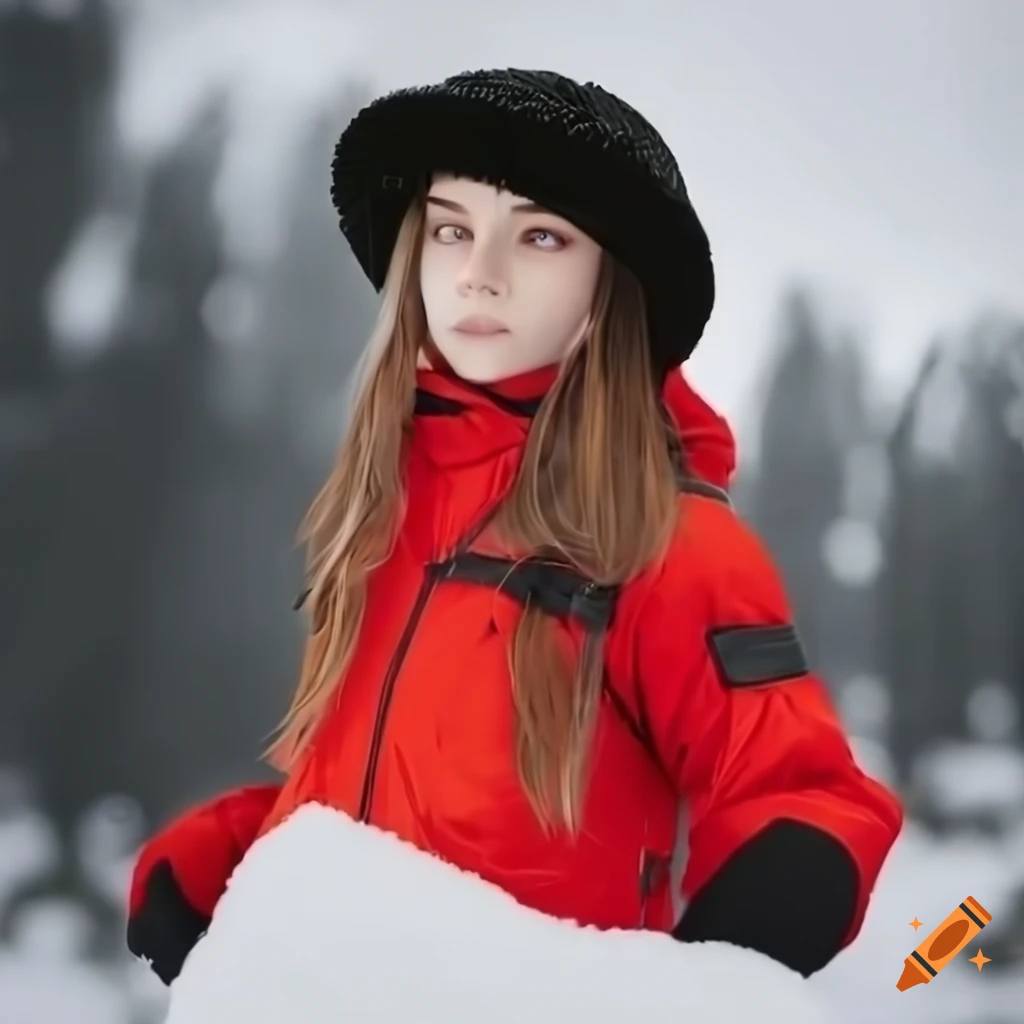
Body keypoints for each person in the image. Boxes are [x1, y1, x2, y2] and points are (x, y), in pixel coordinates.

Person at [126, 68, 903, 988]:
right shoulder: (384, 519)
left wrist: (678, 999)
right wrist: (237, 857)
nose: (478, 272)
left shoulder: (666, 544)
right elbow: (396, 802)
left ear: (616, 285)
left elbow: (806, 806)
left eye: (538, 235)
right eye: (452, 227)